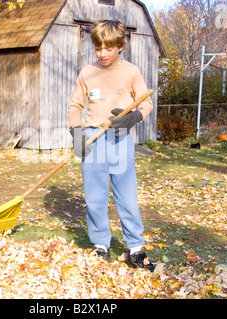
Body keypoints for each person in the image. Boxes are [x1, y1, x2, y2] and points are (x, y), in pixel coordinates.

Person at [68, 19, 154, 271]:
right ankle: (100, 245)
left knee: (126, 196)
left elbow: (145, 102)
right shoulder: (87, 72)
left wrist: (135, 116)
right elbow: (76, 105)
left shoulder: (131, 72)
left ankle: (135, 248)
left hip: (119, 139)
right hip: (93, 139)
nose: (102, 54)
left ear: (120, 47)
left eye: (108, 48)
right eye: (98, 48)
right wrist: (76, 132)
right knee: (94, 196)